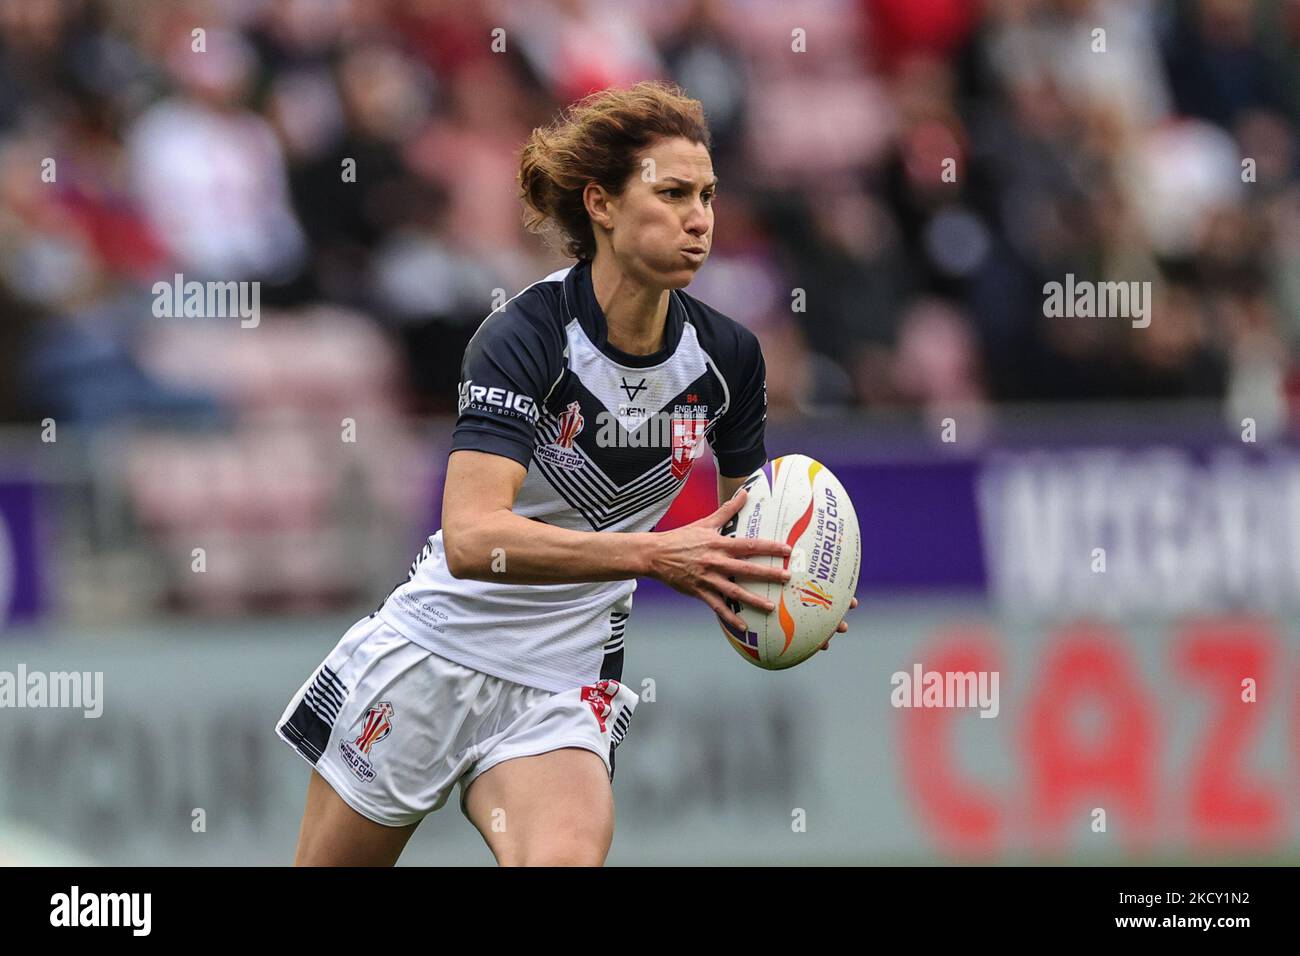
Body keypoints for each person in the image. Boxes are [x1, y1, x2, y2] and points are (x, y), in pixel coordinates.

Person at [276, 81, 856, 866]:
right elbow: (473, 538)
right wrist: (652, 555)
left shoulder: (729, 358)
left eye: (708, 196)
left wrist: (792, 591)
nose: (699, 218)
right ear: (602, 204)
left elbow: (743, 536)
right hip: (434, 652)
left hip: (563, 678)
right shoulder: (524, 338)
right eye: (673, 194)